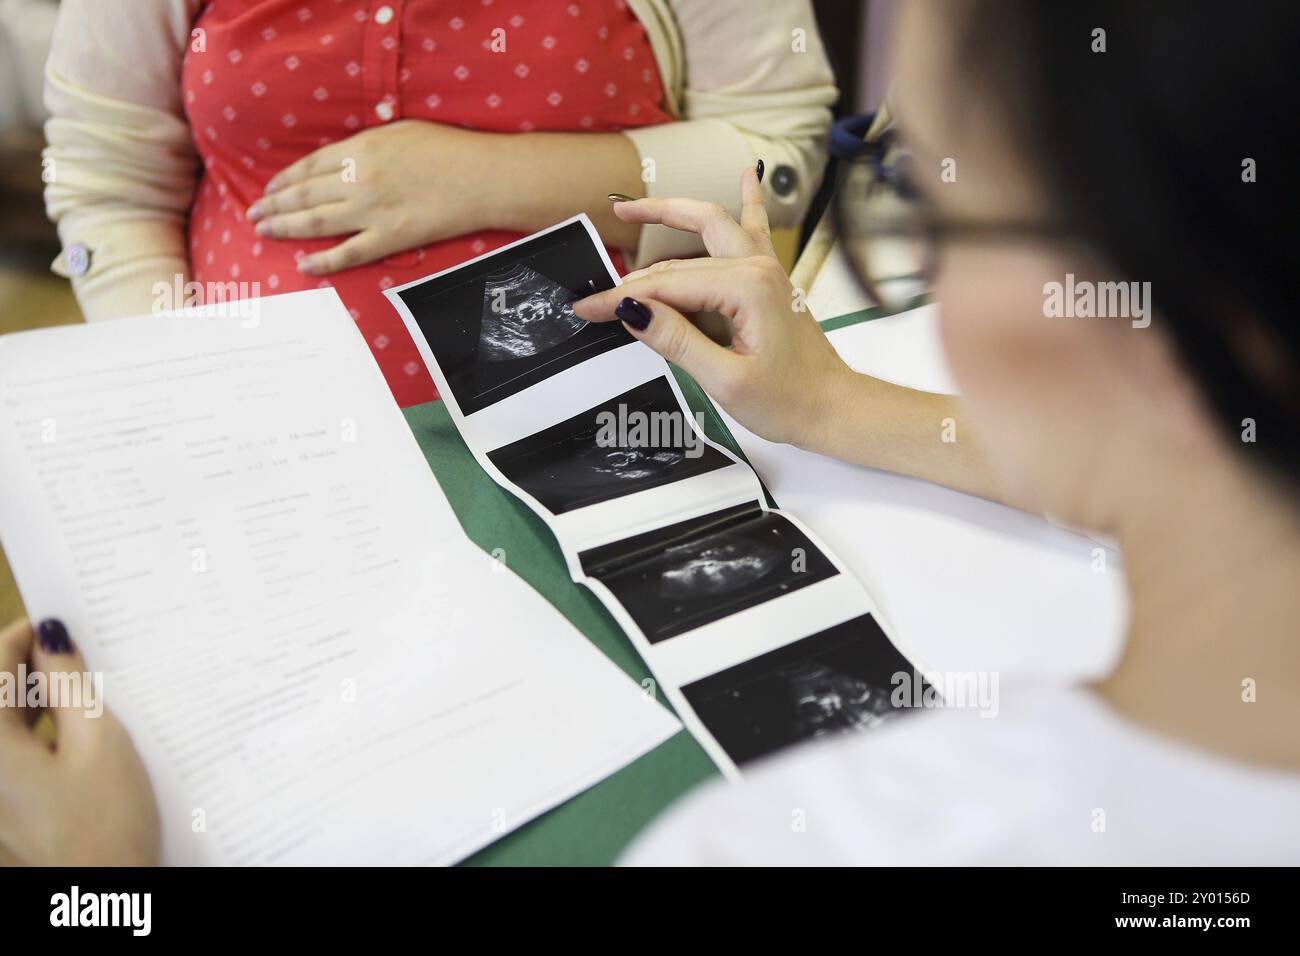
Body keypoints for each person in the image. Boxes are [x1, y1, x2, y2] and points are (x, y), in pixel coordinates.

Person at [5, 0, 1298, 865]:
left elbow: (778, 150)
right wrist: (840, 406)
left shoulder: (824, 829)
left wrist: (92, 889)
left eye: (934, 200)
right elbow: (106, 170)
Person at [40, 0, 836, 408]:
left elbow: (779, 160)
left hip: (610, 431)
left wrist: (483, 178)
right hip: (259, 434)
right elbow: (108, 178)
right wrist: (166, 390)